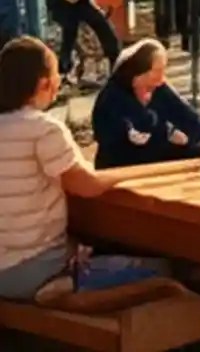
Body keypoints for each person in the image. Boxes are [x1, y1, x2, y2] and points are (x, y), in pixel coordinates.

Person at [0, 37, 177, 303]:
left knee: (79, 245)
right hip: (36, 267)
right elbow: (85, 184)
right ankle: (65, 284)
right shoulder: (44, 129)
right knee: (162, 269)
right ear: (44, 83)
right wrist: (125, 175)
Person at [92, 40, 200, 169]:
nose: (161, 79)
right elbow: (145, 152)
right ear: (136, 75)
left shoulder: (158, 88)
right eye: (157, 71)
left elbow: (185, 115)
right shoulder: (112, 102)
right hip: (120, 170)